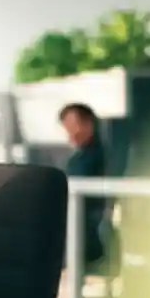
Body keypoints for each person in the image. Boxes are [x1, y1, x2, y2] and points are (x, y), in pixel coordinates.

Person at [59, 102, 107, 265]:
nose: (71, 134)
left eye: (74, 126)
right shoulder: (78, 159)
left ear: (89, 123)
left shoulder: (103, 156)